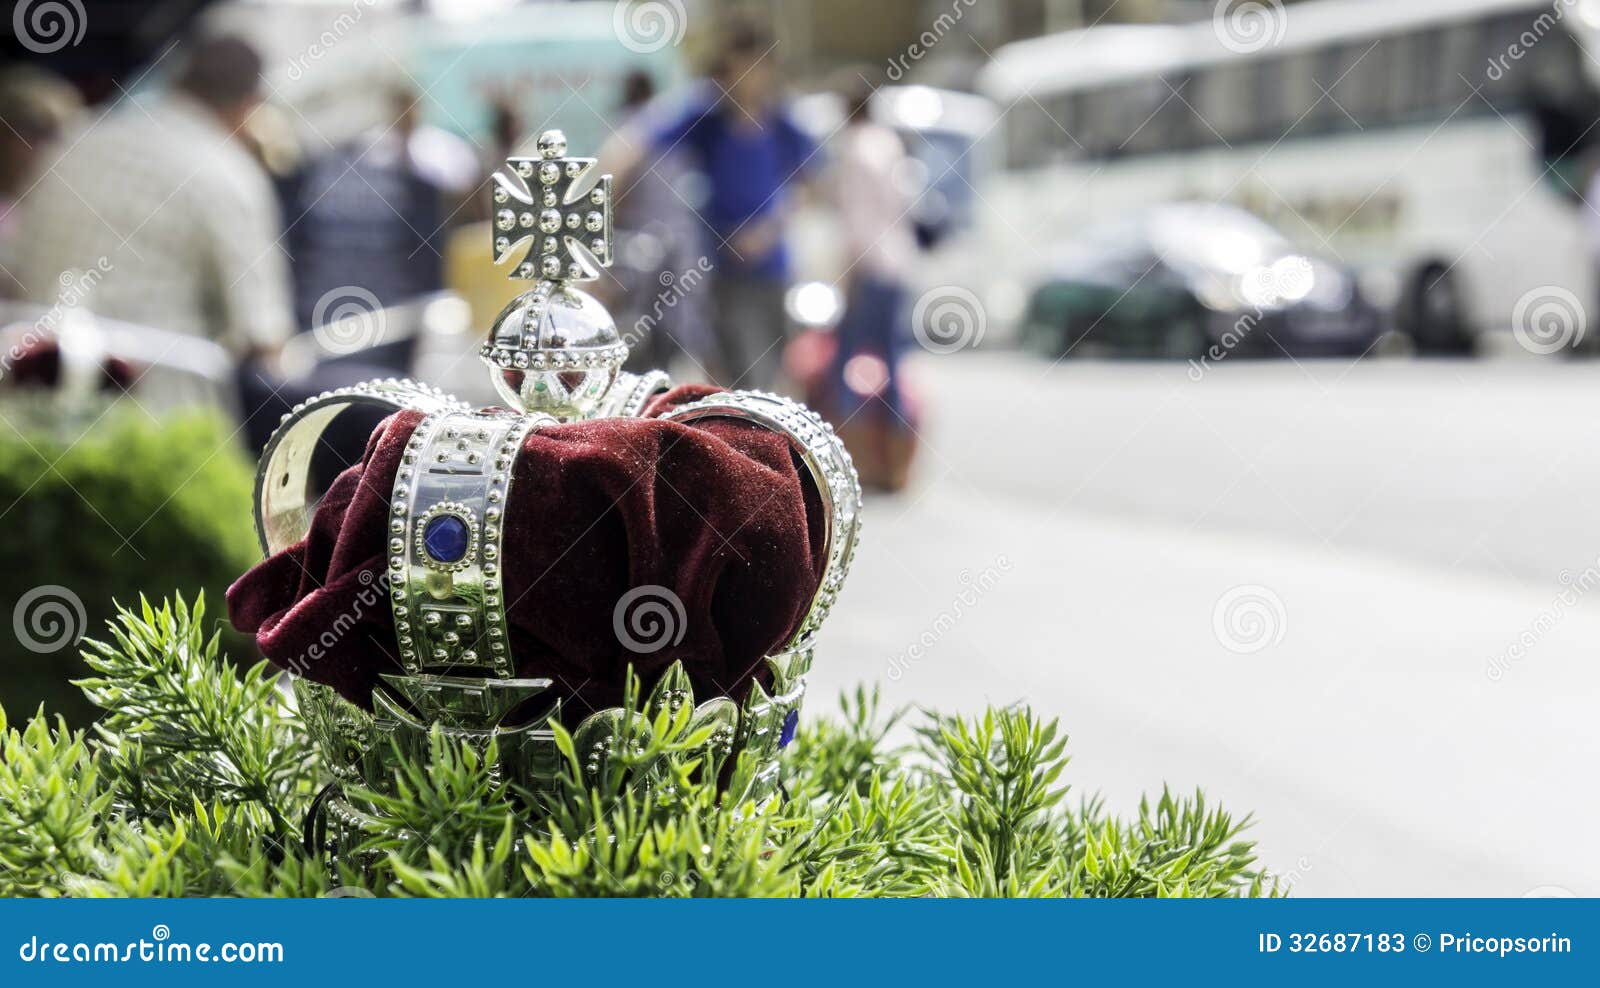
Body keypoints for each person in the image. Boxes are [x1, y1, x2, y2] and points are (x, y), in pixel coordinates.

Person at [10, 35, 293, 360]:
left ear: (178, 80)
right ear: (250, 105)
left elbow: (15, 274)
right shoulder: (228, 172)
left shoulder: (77, 139)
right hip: (161, 401)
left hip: (32, 390)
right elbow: (262, 334)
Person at [604, 23, 816, 390]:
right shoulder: (707, 120)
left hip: (770, 270)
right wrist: (606, 194)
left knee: (768, 372)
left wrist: (769, 229)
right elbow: (636, 142)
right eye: (733, 73)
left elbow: (808, 184)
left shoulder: (782, 124)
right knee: (725, 372)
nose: (741, 83)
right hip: (719, 268)